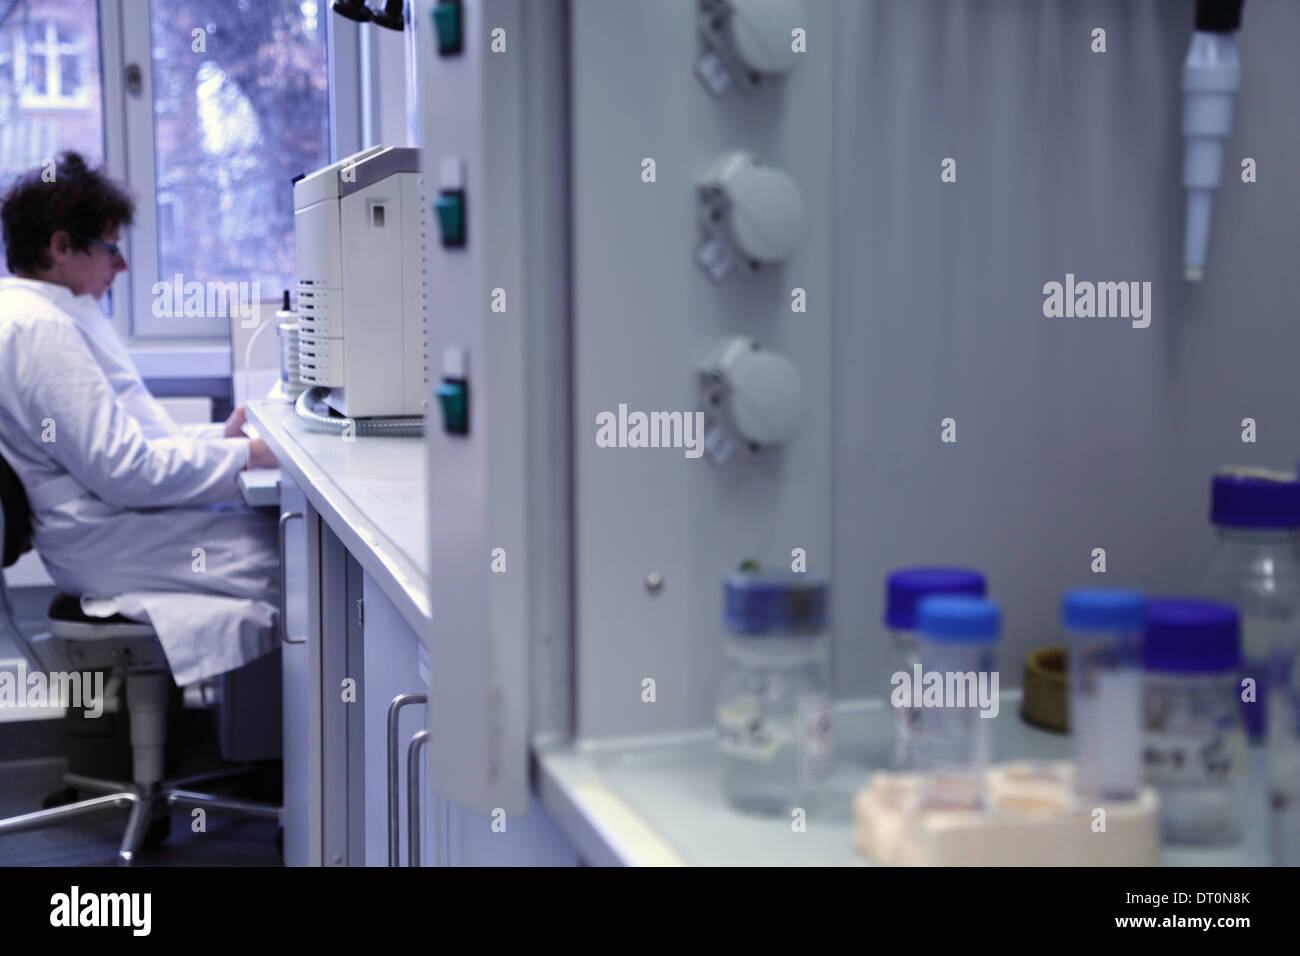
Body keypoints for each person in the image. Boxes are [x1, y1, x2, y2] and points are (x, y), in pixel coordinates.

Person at [0, 152, 281, 685]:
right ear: (60, 246)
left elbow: (135, 441)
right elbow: (126, 470)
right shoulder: (36, 329)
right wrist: (246, 455)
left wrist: (221, 439)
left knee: (291, 547)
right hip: (104, 536)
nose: (122, 267)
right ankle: (307, 763)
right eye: (111, 249)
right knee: (302, 567)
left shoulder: (46, 314)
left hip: (108, 524)